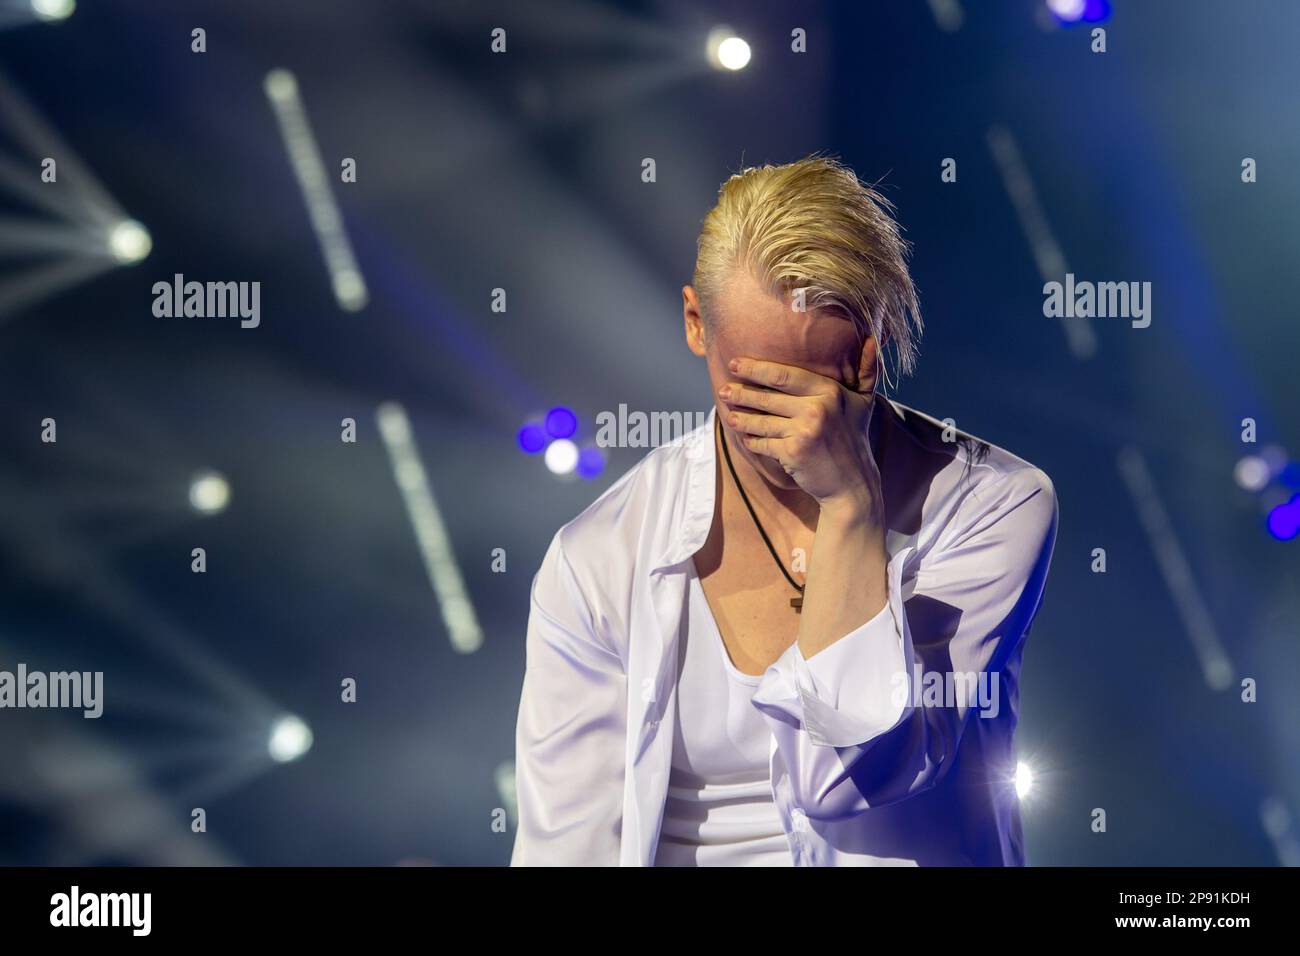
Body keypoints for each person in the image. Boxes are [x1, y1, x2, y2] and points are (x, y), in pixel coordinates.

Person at [511, 155, 1058, 866]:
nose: (785, 431)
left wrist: (851, 507)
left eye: (804, 389)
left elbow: (848, 777)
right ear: (695, 324)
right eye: (748, 390)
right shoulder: (599, 558)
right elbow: (566, 849)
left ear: (870, 351)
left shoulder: (994, 506)